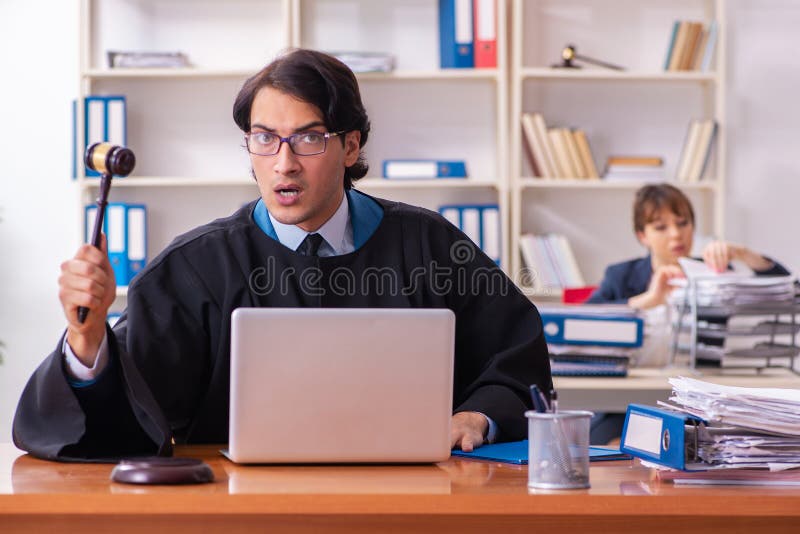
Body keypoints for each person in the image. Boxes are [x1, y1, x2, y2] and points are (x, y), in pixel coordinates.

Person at [13, 49, 552, 461]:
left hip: (413, 503)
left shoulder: (429, 246)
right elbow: (131, 416)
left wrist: (478, 415)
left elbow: (518, 358)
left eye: (309, 138)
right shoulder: (198, 266)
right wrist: (87, 342)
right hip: (242, 511)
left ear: (351, 147)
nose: (284, 163)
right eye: (264, 139)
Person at [586, 183, 789, 443]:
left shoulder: (715, 273)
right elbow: (584, 322)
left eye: (683, 223)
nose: (675, 235)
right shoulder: (621, 275)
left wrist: (741, 253)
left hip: (697, 402)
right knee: (607, 451)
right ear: (642, 235)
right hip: (625, 400)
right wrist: (647, 300)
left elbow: (785, 290)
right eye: (660, 227)